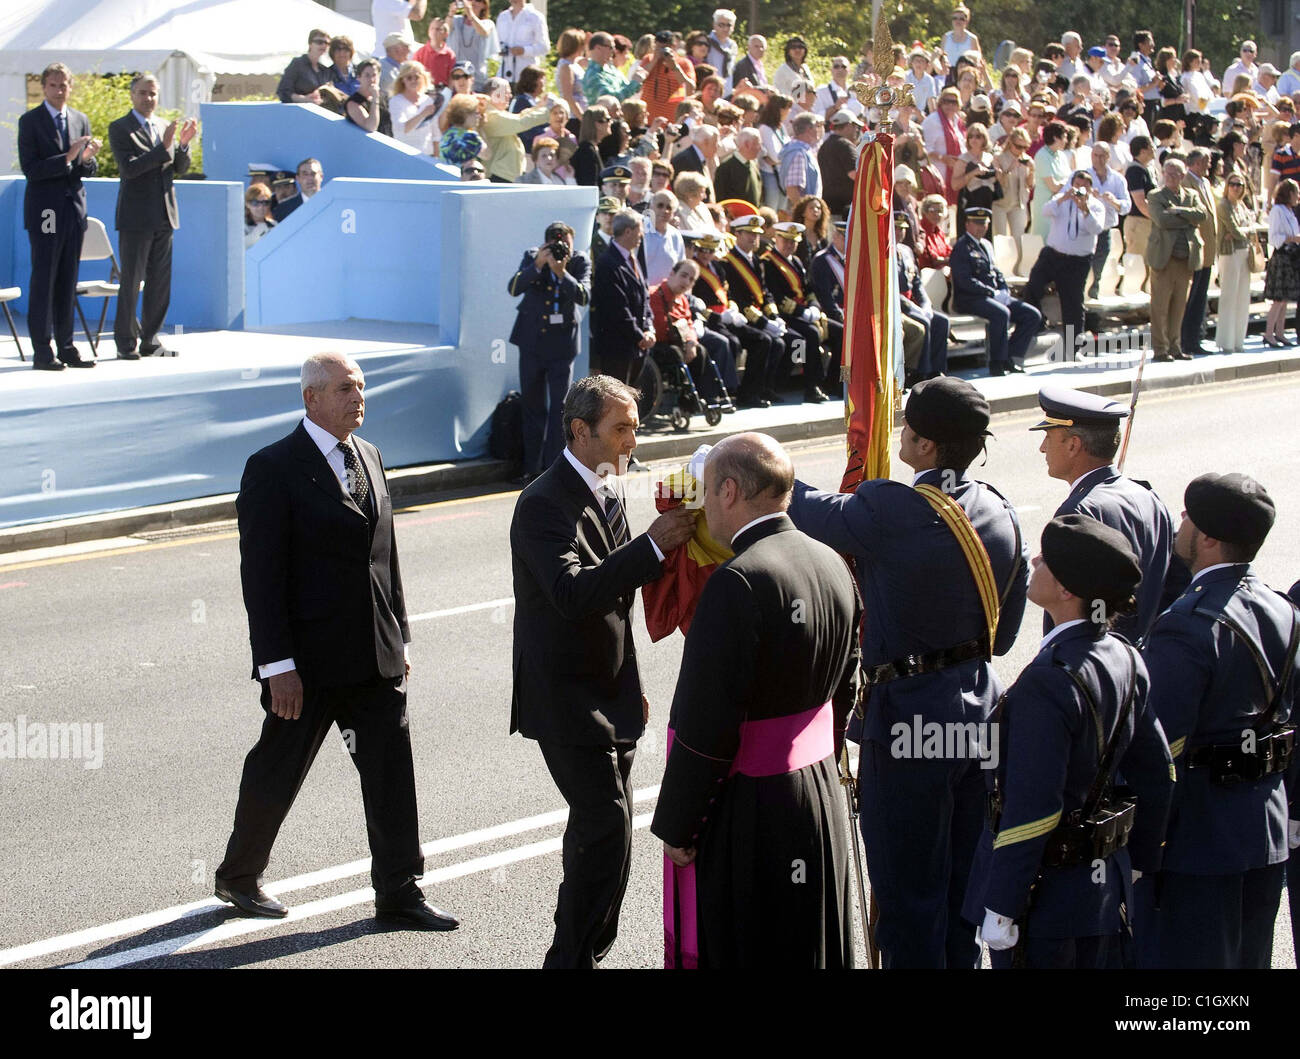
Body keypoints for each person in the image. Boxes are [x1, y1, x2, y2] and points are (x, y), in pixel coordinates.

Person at [788, 377, 1029, 967]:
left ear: (925, 448)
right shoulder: (1000, 510)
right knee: (959, 887)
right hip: (978, 708)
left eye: (907, 429)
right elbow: (1008, 630)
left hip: (908, 718)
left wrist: (729, 460)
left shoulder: (891, 508)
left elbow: (804, 509)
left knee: (905, 892)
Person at [215, 351, 456, 931]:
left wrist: (399, 635)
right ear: (311, 398)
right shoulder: (272, 468)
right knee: (278, 766)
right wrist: (277, 664)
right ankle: (239, 875)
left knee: (391, 772)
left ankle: (399, 891)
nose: (358, 397)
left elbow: (385, 559)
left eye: (362, 387)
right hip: (307, 664)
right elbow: (262, 579)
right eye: (346, 388)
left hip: (373, 654)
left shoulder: (369, 456)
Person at [652, 433, 859, 968]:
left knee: (755, 946)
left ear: (727, 490)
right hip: (816, 792)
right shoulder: (833, 561)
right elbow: (847, 686)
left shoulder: (737, 581)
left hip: (752, 808)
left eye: (702, 490)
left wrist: (678, 826)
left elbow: (707, 725)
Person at [510, 375, 695, 967]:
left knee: (602, 833)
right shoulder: (543, 502)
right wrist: (654, 545)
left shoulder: (610, 488)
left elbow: (619, 606)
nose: (631, 441)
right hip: (564, 699)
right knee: (605, 827)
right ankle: (570, 956)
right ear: (580, 431)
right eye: (620, 429)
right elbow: (571, 593)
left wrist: (633, 685)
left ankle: (587, 948)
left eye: (635, 427)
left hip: (612, 691)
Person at [965, 515, 1175, 968]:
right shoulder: (1126, 656)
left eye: (1047, 560)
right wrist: (1138, 861)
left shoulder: (1048, 680)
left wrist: (1002, 902)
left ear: (1066, 591)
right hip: (1104, 888)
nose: (1035, 561)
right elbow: (1159, 772)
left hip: (1044, 899)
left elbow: (1034, 806)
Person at [1140, 473, 1298, 968]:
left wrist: (1143, 847)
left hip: (1195, 843)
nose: (1179, 524)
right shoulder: (1283, 609)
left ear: (1207, 538)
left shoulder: (1187, 625)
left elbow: (1160, 753)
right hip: (1262, 830)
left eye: (1187, 517)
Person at [1029, 385, 1180, 644]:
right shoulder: (1150, 498)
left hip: (1089, 661)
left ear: (1074, 445)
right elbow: (1171, 588)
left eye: (1049, 437)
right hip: (1136, 660)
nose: (1042, 448)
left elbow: (1065, 613)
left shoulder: (1077, 513)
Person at [18, 62, 101, 371]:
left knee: (68, 278)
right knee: (45, 278)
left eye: (64, 84)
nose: (59, 90)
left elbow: (83, 171)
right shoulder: (31, 121)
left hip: (73, 209)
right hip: (47, 211)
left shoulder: (80, 119)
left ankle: (66, 346)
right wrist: (66, 157)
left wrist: (87, 160)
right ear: (44, 87)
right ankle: (42, 350)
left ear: (71, 86)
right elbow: (32, 170)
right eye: (53, 85)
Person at [108, 74, 194, 360]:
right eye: (143, 93)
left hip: (164, 215)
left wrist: (181, 145)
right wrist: (163, 148)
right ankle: (125, 342)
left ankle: (150, 340)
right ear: (132, 95)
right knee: (131, 281)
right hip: (136, 217)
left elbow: (177, 168)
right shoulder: (120, 128)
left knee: (160, 283)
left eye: (153, 93)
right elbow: (130, 169)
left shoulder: (161, 126)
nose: (149, 98)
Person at [508, 222, 589, 483]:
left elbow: (584, 296)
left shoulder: (578, 261)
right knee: (532, 404)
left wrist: (562, 273)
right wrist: (538, 265)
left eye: (565, 242)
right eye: (555, 242)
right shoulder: (533, 257)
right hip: (532, 342)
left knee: (560, 408)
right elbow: (513, 288)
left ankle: (554, 468)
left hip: (562, 345)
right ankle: (531, 467)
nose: (560, 247)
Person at [1019, 169, 1104, 353]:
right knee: (1033, 287)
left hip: (1077, 261)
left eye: (1084, 186)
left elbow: (1096, 228)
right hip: (1053, 255)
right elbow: (1045, 211)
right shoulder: (1062, 199)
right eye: (1077, 185)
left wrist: (1085, 209)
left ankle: (1073, 348)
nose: (1080, 189)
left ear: (1090, 188)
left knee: (1073, 303)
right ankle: (1035, 323)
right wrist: (1063, 198)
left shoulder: (1096, 206)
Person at [950, 207, 1041, 375]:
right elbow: (965, 281)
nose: (981, 227)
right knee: (1001, 313)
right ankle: (997, 362)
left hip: (992, 296)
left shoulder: (986, 245)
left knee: (1031, 315)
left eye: (984, 224)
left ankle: (1011, 357)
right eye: (976, 224)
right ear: (967, 224)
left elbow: (996, 271)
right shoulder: (962, 247)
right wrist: (991, 293)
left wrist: (1003, 288)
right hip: (970, 298)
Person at [687, 231, 773, 408]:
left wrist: (733, 307)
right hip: (710, 319)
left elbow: (728, 293)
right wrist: (720, 316)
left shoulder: (717, 267)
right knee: (730, 342)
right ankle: (723, 391)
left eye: (710, 251)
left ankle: (749, 393)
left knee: (763, 340)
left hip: (728, 317)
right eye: (702, 250)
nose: (706, 254)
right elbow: (694, 303)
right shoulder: (693, 268)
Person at [762, 221, 836, 402]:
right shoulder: (768, 262)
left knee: (841, 333)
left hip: (805, 312)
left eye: (793, 241)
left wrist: (813, 306)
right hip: (785, 315)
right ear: (776, 238)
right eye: (785, 240)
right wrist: (802, 312)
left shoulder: (796, 261)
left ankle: (835, 381)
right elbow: (776, 296)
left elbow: (808, 289)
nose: (789, 245)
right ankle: (810, 385)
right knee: (807, 336)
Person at [1145, 157, 1206, 363]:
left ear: (1182, 176)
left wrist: (1179, 212)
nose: (1170, 177)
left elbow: (1201, 215)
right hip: (1164, 258)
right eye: (1167, 173)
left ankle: (1175, 346)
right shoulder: (1155, 196)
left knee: (1179, 306)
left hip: (1185, 258)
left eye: (1174, 174)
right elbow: (1161, 220)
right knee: (1160, 307)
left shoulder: (1192, 195)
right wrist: (1187, 221)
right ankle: (1160, 349)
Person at [591, 209, 654, 385]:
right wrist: (639, 336)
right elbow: (617, 308)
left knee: (631, 399)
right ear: (628, 231)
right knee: (616, 399)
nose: (641, 235)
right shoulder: (608, 263)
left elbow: (644, 296)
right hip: (617, 348)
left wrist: (649, 328)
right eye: (639, 230)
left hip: (637, 346)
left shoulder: (633, 259)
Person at [894, 213, 950, 385]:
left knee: (941, 321)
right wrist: (915, 309)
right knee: (923, 323)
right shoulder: (883, 253)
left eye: (903, 229)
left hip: (912, 303)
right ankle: (921, 372)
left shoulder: (906, 251)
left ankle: (936, 369)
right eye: (896, 228)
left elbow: (917, 283)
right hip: (897, 305)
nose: (900, 232)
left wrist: (925, 304)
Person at [1179, 148, 1219, 357]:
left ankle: (1195, 339)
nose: (1209, 165)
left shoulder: (1205, 183)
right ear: (1195, 163)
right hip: (1196, 250)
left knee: (1200, 298)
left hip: (1208, 250)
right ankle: (1186, 341)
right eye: (1206, 161)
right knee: (1191, 299)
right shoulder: (1187, 182)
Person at [1215, 172, 1256, 354]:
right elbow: (1234, 230)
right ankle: (1226, 342)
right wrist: (1243, 231)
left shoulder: (1242, 206)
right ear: (1227, 185)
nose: (1236, 187)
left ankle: (1239, 340)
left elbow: (1249, 228)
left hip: (1244, 252)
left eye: (1239, 184)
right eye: (1232, 184)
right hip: (1229, 253)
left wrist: (1244, 230)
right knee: (1229, 297)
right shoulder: (1223, 205)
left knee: (1242, 298)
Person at [1086, 141, 1131, 301]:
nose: (1097, 159)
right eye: (1095, 155)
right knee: (1082, 272)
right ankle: (1073, 324)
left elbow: (1126, 206)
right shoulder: (1083, 175)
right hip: (1085, 231)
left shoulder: (1118, 179)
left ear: (1108, 157)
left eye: (1102, 156)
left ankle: (1092, 314)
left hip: (1105, 231)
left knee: (1097, 272)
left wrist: (1114, 202)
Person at [480, 76, 548, 182]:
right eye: (506, 92)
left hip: (504, 176)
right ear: (495, 94)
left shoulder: (496, 113)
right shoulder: (490, 116)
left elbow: (520, 116)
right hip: (497, 177)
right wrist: (548, 111)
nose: (510, 96)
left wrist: (539, 107)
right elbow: (520, 122)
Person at [1264, 178, 1300, 346]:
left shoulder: (1290, 211)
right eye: (1296, 193)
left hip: (1291, 257)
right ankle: (1269, 333)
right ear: (1289, 193)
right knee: (1278, 299)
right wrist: (1292, 238)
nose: (1298, 196)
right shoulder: (1277, 210)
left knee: (1285, 299)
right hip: (1281, 257)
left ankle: (1280, 332)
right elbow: (1274, 237)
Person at [639, 31, 696, 125]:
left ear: (674, 47)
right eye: (659, 47)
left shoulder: (684, 63)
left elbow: (690, 89)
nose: (662, 51)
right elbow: (639, 80)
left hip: (672, 120)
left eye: (666, 47)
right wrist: (654, 60)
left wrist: (675, 67)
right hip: (648, 119)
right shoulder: (648, 59)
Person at [388, 61, 440, 154]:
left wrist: (437, 156)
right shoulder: (395, 101)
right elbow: (402, 128)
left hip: (427, 155)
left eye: (416, 77)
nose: (413, 80)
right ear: (402, 80)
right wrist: (422, 114)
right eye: (409, 77)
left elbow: (436, 133)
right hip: (404, 154)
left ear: (423, 78)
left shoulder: (428, 100)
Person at [818, 110, 862, 218]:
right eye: (855, 126)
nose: (857, 130)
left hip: (828, 206)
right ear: (848, 125)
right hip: (845, 210)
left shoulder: (825, 146)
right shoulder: (845, 145)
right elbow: (855, 174)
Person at [582, 33, 645, 106]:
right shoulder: (593, 75)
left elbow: (626, 88)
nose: (614, 51)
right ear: (598, 48)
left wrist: (638, 82)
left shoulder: (611, 69)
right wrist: (635, 82)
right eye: (611, 47)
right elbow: (612, 101)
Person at [1032, 121, 1072, 236]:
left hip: (1062, 206)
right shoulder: (1042, 156)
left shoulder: (1062, 155)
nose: (1066, 141)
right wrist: (1066, 184)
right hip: (1045, 205)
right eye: (1064, 137)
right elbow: (1053, 186)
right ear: (1055, 137)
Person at [448, 0, 498, 91]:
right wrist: (451, 13)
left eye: (478, 0)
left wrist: (471, 14)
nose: (473, 2)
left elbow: (483, 31)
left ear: (484, 5)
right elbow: (446, 30)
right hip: (456, 77)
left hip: (477, 78)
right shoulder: (456, 20)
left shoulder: (488, 23)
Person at [495, 0, 548, 86]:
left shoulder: (535, 16)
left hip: (526, 76)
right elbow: (496, 42)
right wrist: (499, 50)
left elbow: (544, 47)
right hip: (504, 74)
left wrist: (524, 51)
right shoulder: (502, 17)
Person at [276, 29, 333, 104]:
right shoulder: (297, 64)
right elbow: (283, 91)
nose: (323, 45)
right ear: (310, 43)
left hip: (318, 112)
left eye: (327, 43)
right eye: (319, 42)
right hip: (298, 112)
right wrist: (305, 99)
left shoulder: (325, 70)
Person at [712, 127, 762, 207]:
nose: (760, 148)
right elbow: (720, 198)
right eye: (757, 144)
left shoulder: (753, 165)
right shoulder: (726, 168)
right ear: (747, 144)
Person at [272, 158, 323, 223]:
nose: (309, 178)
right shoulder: (283, 209)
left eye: (313, 174)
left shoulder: (333, 202)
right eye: (305, 174)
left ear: (321, 176)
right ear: (298, 178)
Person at [414, 16, 455, 87]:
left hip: (443, 90)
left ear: (446, 34)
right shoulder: (420, 52)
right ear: (428, 32)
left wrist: (448, 91)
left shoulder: (449, 54)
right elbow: (414, 73)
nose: (435, 31)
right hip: (424, 89)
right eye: (432, 28)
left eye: (439, 29)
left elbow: (452, 77)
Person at [705, 9, 738, 81]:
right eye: (721, 25)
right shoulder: (705, 42)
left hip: (727, 89)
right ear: (714, 24)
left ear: (733, 27)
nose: (725, 29)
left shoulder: (733, 46)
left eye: (729, 25)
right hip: (709, 88)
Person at [243, 182, 276, 248]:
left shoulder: (274, 224)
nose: (261, 207)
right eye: (255, 203)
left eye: (265, 203)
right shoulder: (240, 226)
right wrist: (259, 231)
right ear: (247, 204)